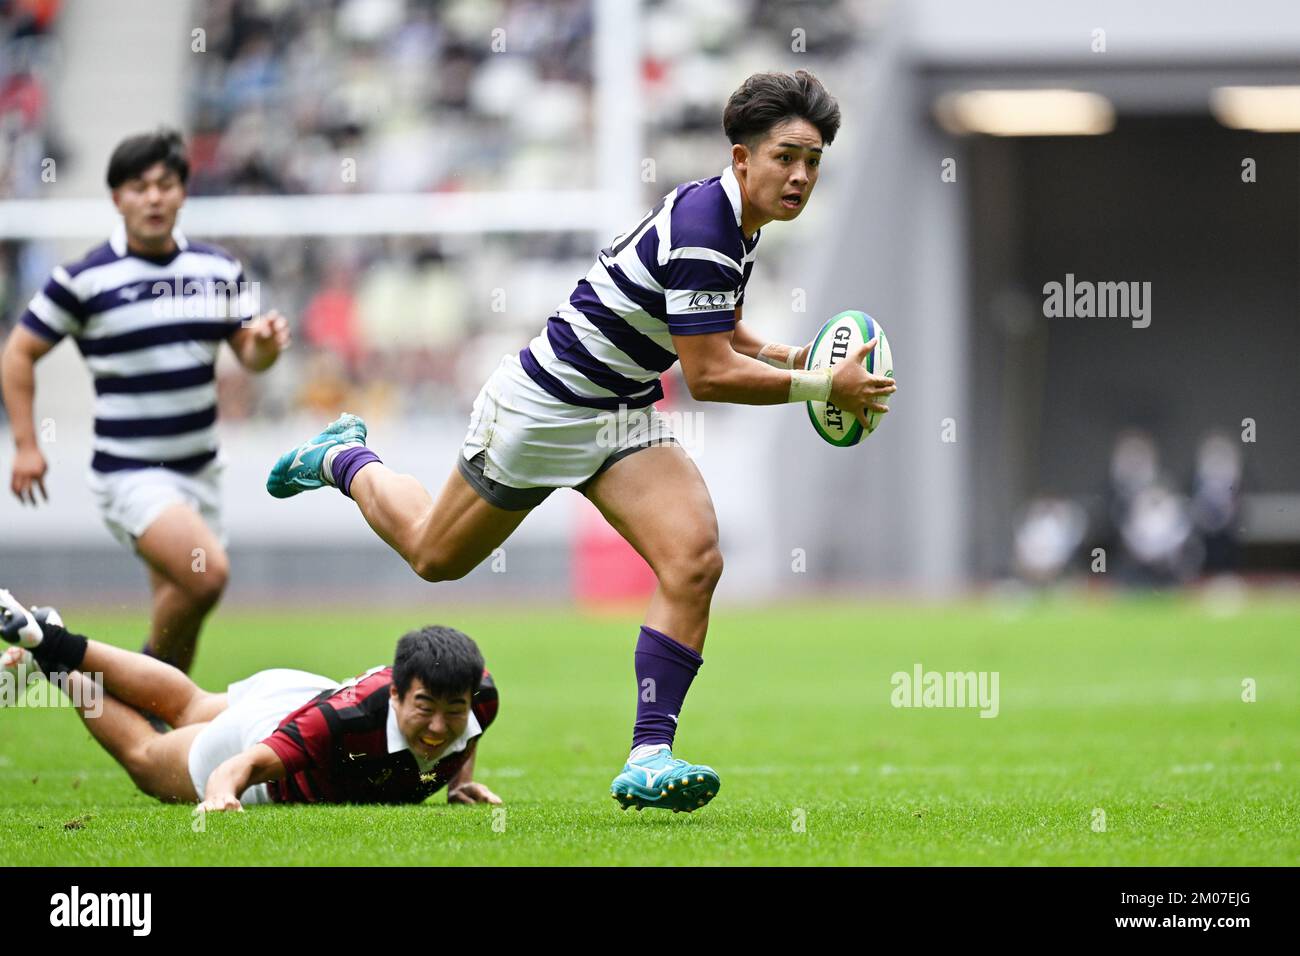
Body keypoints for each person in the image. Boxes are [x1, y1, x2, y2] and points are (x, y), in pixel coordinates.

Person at [265, 70, 895, 813]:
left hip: (618, 413)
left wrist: (797, 357)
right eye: (786, 157)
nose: (800, 176)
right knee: (434, 556)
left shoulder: (736, 223)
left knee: (693, 559)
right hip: (544, 409)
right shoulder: (706, 227)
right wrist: (822, 386)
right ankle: (342, 457)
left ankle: (649, 754)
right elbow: (708, 374)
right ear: (741, 157)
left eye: (813, 161)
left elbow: (719, 325)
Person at [1, 129, 291, 675]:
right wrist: (25, 444)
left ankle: (156, 707)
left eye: (165, 184)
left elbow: (249, 353)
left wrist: (267, 346)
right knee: (206, 576)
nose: (154, 197)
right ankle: (107, 672)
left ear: (183, 192)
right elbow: (18, 352)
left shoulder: (218, 270)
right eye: (139, 187)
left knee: (181, 606)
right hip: (130, 473)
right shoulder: (83, 279)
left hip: (202, 470)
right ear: (117, 198)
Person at [0, 588, 500, 810]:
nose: (439, 727)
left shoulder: (479, 696)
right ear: (395, 695)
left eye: (453, 711)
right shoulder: (342, 724)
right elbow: (241, 767)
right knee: (147, 757)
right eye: (424, 709)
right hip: (271, 738)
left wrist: (458, 783)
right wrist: (220, 794)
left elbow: (466, 729)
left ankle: (50, 636)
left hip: (296, 690)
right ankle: (50, 655)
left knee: (191, 706)